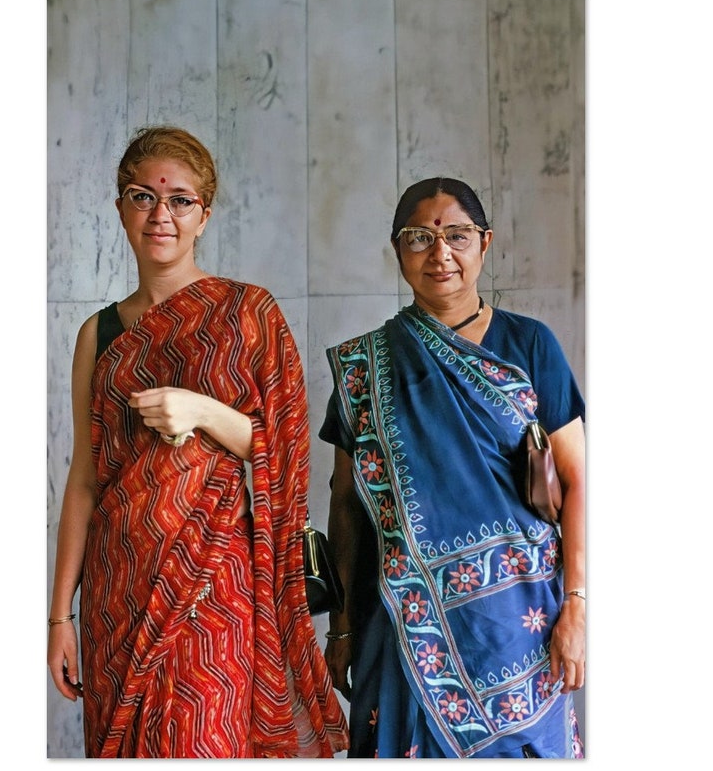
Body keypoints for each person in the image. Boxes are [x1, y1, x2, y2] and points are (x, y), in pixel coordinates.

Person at [47, 125, 349, 758]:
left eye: (180, 200)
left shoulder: (248, 313)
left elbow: (285, 449)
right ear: (120, 207)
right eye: (142, 196)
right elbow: (82, 480)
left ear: (204, 214)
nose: (162, 215)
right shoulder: (96, 335)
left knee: (203, 740)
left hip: (216, 582)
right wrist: (59, 617)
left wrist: (206, 410)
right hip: (117, 585)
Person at [319, 177, 585, 759]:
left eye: (457, 236)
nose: (440, 254)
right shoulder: (366, 368)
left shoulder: (530, 345)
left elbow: (579, 482)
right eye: (419, 238)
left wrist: (579, 606)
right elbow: (345, 506)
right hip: (400, 625)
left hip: (521, 623)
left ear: (484, 244)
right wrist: (340, 628)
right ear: (397, 251)